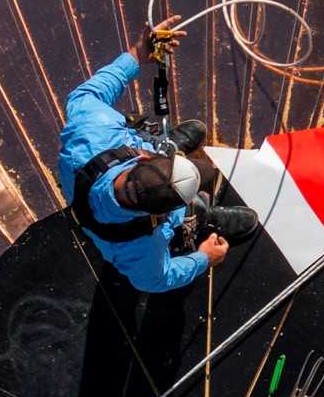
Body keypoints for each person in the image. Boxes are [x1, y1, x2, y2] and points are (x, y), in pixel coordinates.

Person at [59, 17, 258, 293]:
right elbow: (156, 280)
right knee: (200, 193)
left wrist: (137, 53)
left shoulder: (92, 132)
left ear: (141, 158)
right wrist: (204, 258)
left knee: (201, 173)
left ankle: (169, 156)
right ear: (162, 215)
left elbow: (87, 95)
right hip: (142, 215)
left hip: (92, 174)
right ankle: (199, 215)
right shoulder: (142, 247)